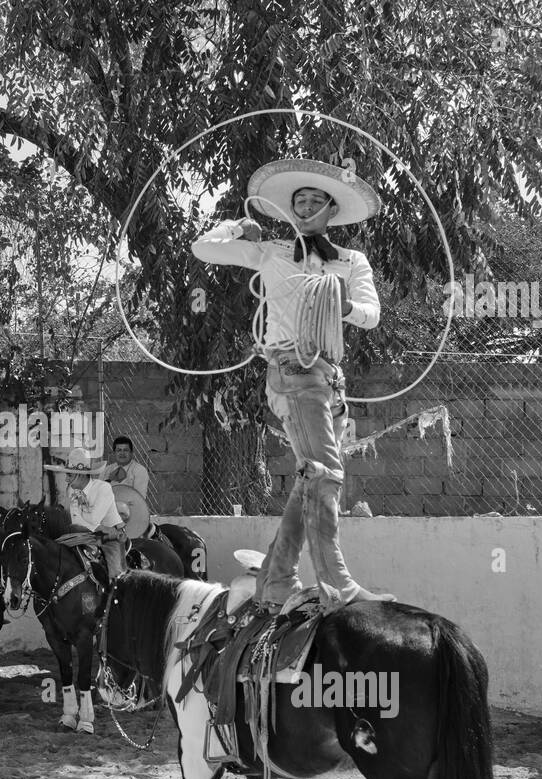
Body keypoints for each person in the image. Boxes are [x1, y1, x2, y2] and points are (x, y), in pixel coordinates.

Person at [191, 157, 396, 615]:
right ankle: (337, 585)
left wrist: (338, 303)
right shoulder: (272, 251)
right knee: (325, 473)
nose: (305, 207)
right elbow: (203, 248)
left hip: (328, 379)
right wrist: (236, 227)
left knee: (309, 478)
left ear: (330, 209)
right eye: (299, 200)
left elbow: (371, 313)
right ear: (290, 208)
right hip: (291, 370)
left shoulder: (350, 261)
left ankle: (275, 580)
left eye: (315, 201)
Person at [45, 447, 127, 581]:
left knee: (114, 578)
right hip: (82, 534)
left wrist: (81, 507)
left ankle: (115, 593)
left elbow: (93, 520)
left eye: (69, 475)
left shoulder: (103, 488)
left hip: (111, 536)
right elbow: (77, 522)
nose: (66, 479)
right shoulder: (72, 490)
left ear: (81, 474)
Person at [104, 435, 150, 525]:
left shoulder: (139, 470)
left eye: (125, 450)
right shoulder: (107, 470)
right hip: (108, 515)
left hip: (132, 516)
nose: (122, 453)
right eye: (119, 450)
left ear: (131, 453)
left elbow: (139, 499)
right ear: (114, 453)